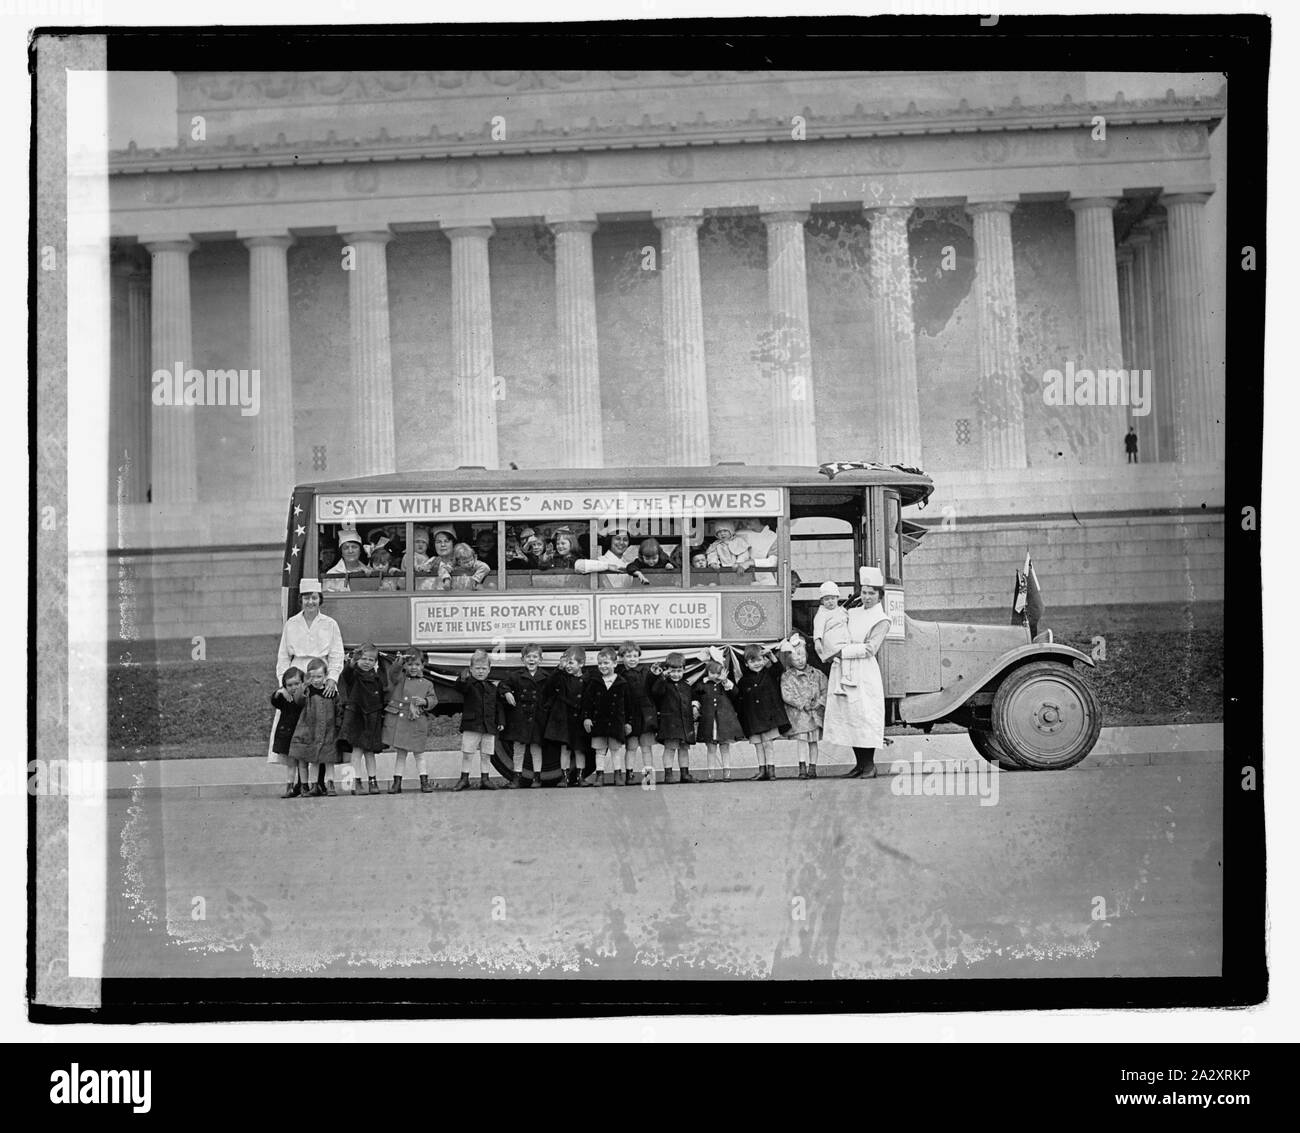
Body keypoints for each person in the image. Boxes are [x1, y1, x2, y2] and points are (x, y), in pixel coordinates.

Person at [818, 565, 891, 778]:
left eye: (871, 593)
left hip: (863, 671)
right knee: (850, 718)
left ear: (880, 595)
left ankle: (869, 765)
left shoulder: (882, 619)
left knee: (864, 717)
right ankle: (859, 765)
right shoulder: (851, 612)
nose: (867, 597)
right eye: (864, 592)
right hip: (844, 668)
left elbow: (870, 648)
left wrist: (840, 651)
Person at [275, 578, 344, 792]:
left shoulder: (330, 623)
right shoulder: (292, 623)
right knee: (298, 729)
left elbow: (337, 654)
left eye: (314, 598)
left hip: (319, 676)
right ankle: (298, 781)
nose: (310, 602)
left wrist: (332, 678)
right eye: (306, 598)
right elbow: (283, 657)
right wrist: (285, 685)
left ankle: (320, 781)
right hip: (297, 675)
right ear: (301, 600)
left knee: (322, 726)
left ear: (320, 599)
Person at [383, 649, 438, 793]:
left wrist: (425, 701)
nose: (414, 667)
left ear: (423, 666)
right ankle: (397, 782)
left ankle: (424, 781)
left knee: (419, 754)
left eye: (417, 664)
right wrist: (400, 661)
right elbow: (393, 673)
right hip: (402, 721)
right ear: (406, 666)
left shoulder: (427, 683)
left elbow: (433, 699)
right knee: (401, 754)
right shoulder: (400, 679)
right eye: (410, 664)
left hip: (416, 721)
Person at [733, 643, 790, 781]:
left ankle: (771, 770)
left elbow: (779, 668)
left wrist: (771, 656)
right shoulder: (743, 681)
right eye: (752, 661)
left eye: (759, 660)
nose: (757, 664)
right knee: (758, 746)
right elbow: (740, 700)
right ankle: (762, 770)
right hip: (753, 719)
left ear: (764, 660)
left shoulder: (769, 673)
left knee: (768, 744)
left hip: (768, 717)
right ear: (746, 664)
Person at [337, 643, 388, 795]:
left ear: (376, 662)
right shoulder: (354, 675)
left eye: (371, 660)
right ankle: (355, 782)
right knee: (357, 751)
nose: (367, 662)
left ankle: (373, 781)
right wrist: (352, 663)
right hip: (356, 716)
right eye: (363, 658)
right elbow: (346, 674)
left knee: (370, 752)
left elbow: (381, 696)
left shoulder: (377, 677)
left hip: (372, 717)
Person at [580, 647, 634, 787]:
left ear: (615, 664)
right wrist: (586, 718)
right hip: (598, 723)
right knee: (600, 751)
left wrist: (628, 722)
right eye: (600, 664)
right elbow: (587, 703)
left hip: (616, 723)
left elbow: (629, 705)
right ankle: (600, 775)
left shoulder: (622, 683)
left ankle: (618, 775)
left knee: (615, 750)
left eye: (606, 663)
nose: (603, 666)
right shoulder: (594, 683)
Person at [780, 633, 828, 779]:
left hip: (815, 715)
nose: (800, 661)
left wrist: (819, 702)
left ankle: (813, 767)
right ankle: (802, 766)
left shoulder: (817, 674)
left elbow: (826, 690)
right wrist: (802, 703)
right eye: (795, 659)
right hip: (800, 716)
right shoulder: (787, 676)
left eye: (802, 657)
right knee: (801, 741)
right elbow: (786, 694)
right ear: (790, 660)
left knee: (813, 742)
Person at [289, 658, 339, 797]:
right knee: (314, 760)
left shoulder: (331, 692)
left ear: (326, 676)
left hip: (329, 732)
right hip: (312, 731)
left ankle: (330, 784)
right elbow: (297, 700)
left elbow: (339, 709)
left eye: (319, 676)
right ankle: (314, 785)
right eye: (313, 677)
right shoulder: (308, 692)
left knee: (329, 761)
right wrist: (304, 686)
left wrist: (338, 726)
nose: (316, 680)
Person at [454, 649, 503, 791]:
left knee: (486, 754)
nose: (480, 672)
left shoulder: (492, 688)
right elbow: (460, 686)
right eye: (477, 668)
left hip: (489, 726)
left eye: (484, 669)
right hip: (472, 725)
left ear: (489, 670)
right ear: (471, 669)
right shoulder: (468, 685)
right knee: (468, 753)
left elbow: (498, 706)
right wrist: (462, 678)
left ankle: (485, 779)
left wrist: (501, 721)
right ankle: (464, 779)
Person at [502, 643, 548, 788]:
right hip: (520, 717)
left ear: (540, 659)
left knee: (536, 748)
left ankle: (537, 777)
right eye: (528, 657)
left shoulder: (546, 677)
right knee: (518, 749)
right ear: (523, 659)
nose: (531, 660)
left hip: (537, 718)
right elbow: (503, 685)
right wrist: (507, 692)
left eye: (535, 657)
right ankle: (516, 777)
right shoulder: (516, 676)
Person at [692, 657, 743, 782]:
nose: (715, 675)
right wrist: (695, 707)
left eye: (718, 673)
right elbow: (695, 697)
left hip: (724, 721)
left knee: (725, 747)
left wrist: (725, 681)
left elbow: (735, 694)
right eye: (712, 672)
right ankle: (711, 774)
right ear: (707, 672)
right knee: (711, 748)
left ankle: (727, 772)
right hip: (709, 721)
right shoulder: (701, 685)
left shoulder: (725, 685)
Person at [544, 646, 589, 786]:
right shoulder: (562, 678)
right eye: (566, 663)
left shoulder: (588, 680)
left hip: (579, 719)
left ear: (581, 664)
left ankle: (581, 777)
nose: (567, 666)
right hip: (564, 719)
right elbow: (549, 686)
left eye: (571, 663)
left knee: (580, 750)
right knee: (565, 749)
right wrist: (559, 669)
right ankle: (565, 777)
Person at [649, 652, 695, 783]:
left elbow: (691, 699)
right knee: (670, 749)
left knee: (684, 750)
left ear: (684, 670)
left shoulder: (686, 686)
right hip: (670, 724)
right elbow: (656, 692)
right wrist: (662, 678)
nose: (676, 674)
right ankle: (668, 774)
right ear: (666, 670)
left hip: (685, 725)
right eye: (672, 671)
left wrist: (695, 705)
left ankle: (685, 773)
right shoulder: (663, 684)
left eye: (679, 671)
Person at [616, 641, 657, 786]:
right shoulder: (619, 675)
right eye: (628, 656)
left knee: (646, 748)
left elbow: (654, 688)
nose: (632, 659)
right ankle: (629, 775)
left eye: (635, 656)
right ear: (622, 657)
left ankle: (648, 777)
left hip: (646, 715)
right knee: (631, 747)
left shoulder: (646, 672)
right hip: (630, 716)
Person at [813, 581, 856, 692]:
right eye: (826, 599)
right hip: (833, 642)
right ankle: (845, 678)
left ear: (837, 598)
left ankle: (840, 684)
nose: (830, 602)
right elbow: (818, 628)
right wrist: (817, 641)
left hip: (842, 639)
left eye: (832, 598)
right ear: (822, 601)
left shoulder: (841, 610)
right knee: (845, 656)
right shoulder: (822, 613)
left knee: (841, 662)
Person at [270, 667, 306, 797]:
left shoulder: (304, 697)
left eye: (297, 684)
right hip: (288, 736)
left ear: (303, 682)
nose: (293, 687)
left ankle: (303, 786)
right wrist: (280, 691)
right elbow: (274, 700)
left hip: (302, 736)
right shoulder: (285, 698)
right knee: (291, 764)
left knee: (302, 763)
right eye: (289, 685)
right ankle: (289, 786)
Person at [735, 517, 778, 584]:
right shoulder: (740, 534)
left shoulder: (773, 537)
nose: (747, 521)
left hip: (766, 580)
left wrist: (750, 562)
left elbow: (773, 562)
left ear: (761, 519)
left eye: (751, 518)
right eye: (746, 518)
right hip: (743, 577)